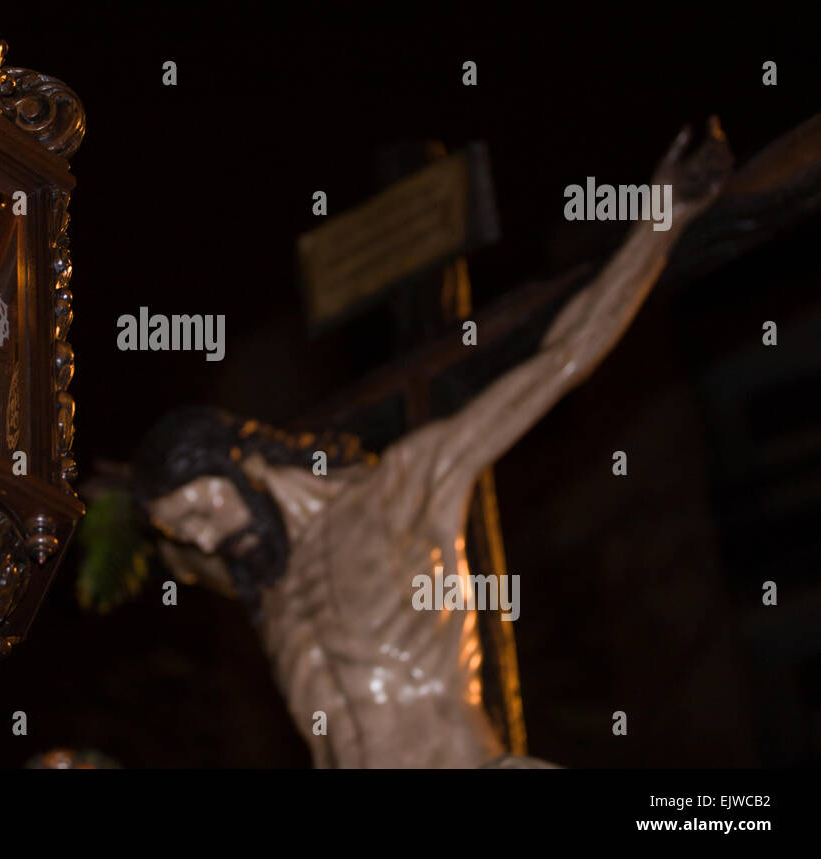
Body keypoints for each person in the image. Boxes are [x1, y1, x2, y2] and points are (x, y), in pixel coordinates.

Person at [133, 120, 733, 768]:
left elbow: (561, 359)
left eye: (198, 511)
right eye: (183, 528)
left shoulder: (406, 486)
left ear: (238, 460)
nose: (199, 537)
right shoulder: (270, 585)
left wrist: (661, 223)